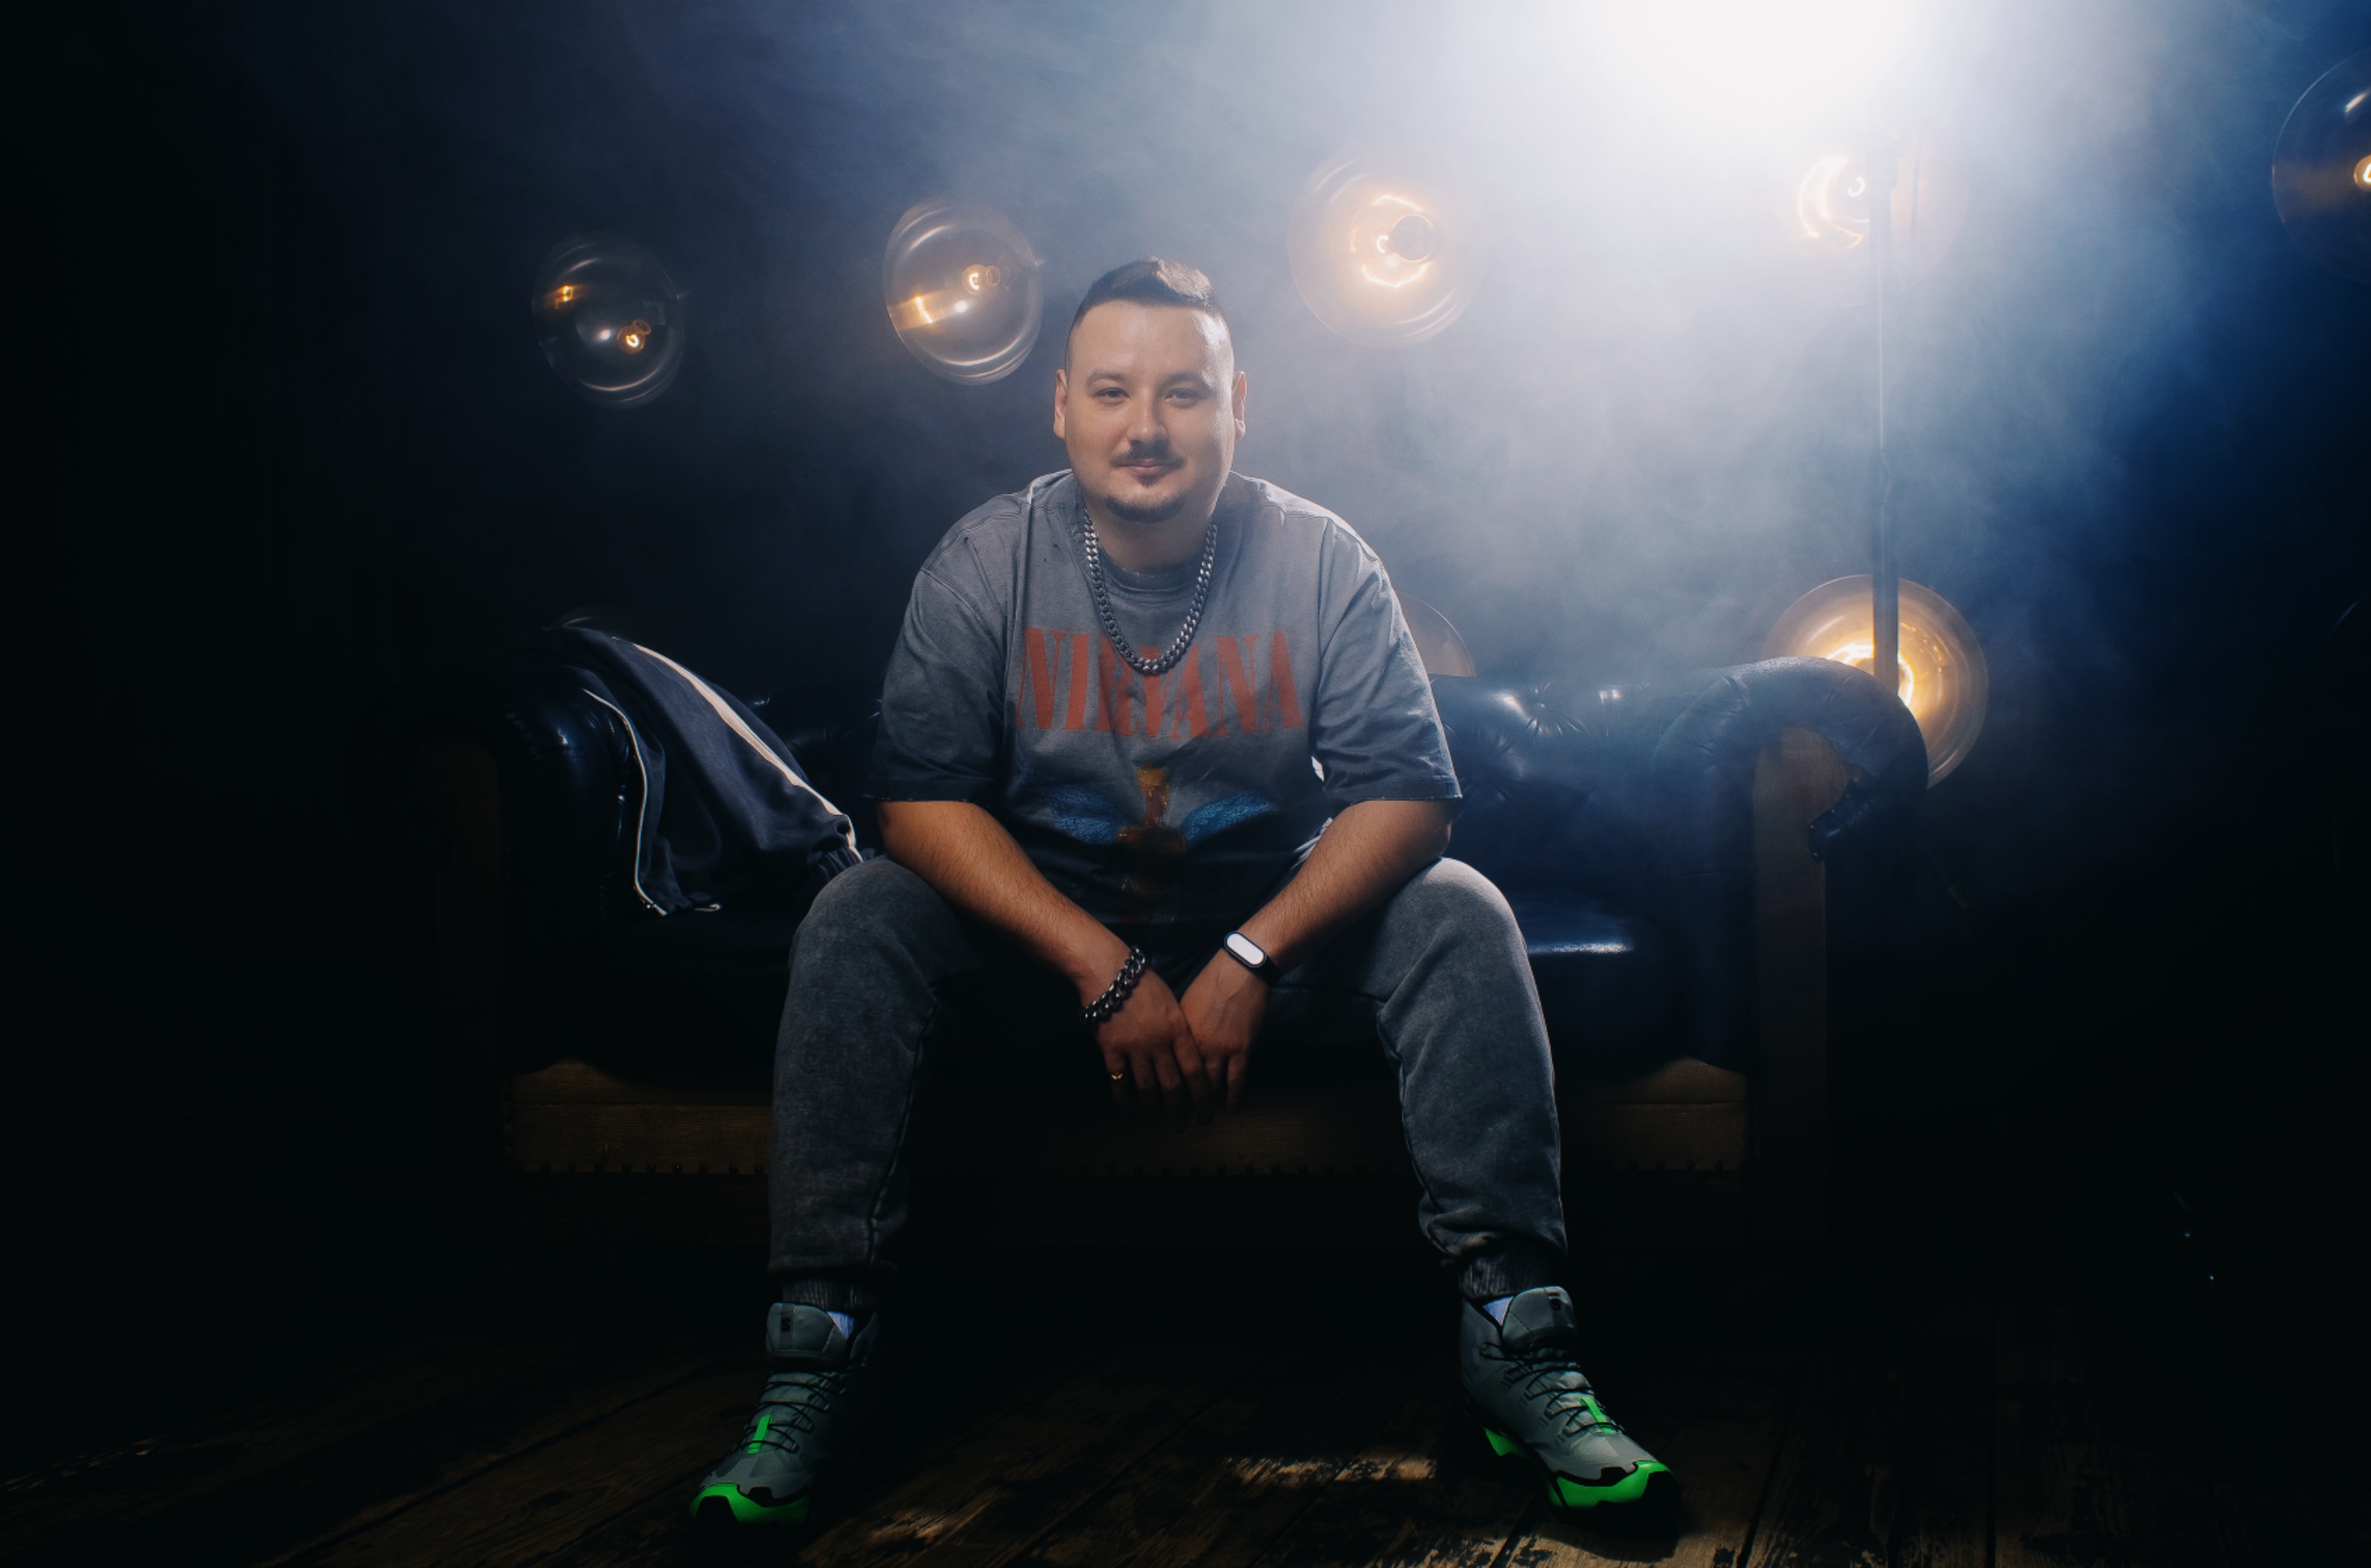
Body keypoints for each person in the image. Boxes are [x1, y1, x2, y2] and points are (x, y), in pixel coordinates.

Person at [689, 259, 1666, 1528]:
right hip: (1043, 949)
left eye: (1182, 394)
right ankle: (821, 1356)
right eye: (1111, 391)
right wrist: (1098, 965)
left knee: (1461, 909)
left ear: (1236, 405)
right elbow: (916, 804)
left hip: (1266, 933)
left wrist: (1251, 959)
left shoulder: (1318, 558)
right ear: (1060, 405)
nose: (1144, 426)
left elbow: (1408, 799)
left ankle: (1518, 1344)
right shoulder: (988, 560)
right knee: (858, 913)